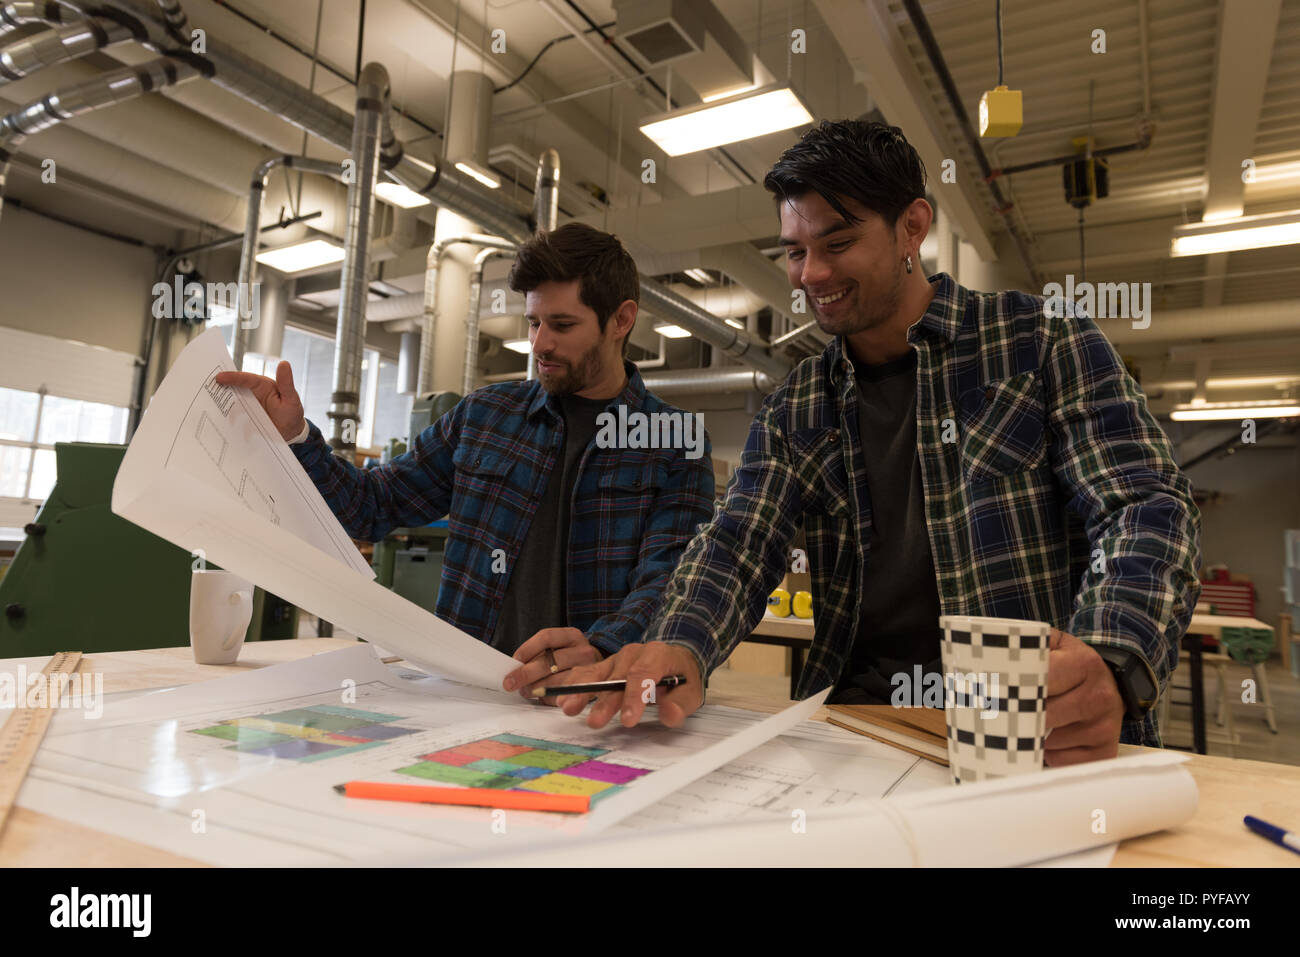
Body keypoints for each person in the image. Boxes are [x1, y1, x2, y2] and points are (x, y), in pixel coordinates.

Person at [553, 120, 1202, 765]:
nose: (812, 272)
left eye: (838, 242)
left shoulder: (1038, 343)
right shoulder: (799, 404)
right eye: (795, 250)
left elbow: (1144, 506)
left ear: (911, 228)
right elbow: (738, 544)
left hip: (1026, 731)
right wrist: (681, 643)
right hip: (858, 731)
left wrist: (1115, 655)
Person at [217, 223, 715, 698]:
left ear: (621, 320)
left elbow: (671, 580)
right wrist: (297, 438)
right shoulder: (485, 416)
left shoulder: (674, 441)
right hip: (464, 694)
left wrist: (603, 646)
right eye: (534, 322)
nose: (540, 344)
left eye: (562, 325)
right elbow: (373, 506)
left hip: (587, 700)